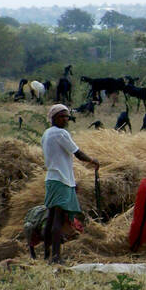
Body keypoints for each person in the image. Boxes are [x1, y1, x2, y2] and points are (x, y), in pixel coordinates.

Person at [42, 104, 100, 264]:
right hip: (62, 179)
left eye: (67, 116)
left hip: (51, 179)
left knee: (50, 218)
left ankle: (46, 254)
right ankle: (56, 257)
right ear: (54, 118)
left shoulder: (46, 133)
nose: (65, 119)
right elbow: (78, 153)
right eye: (62, 116)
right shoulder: (61, 134)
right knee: (57, 220)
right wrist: (93, 161)